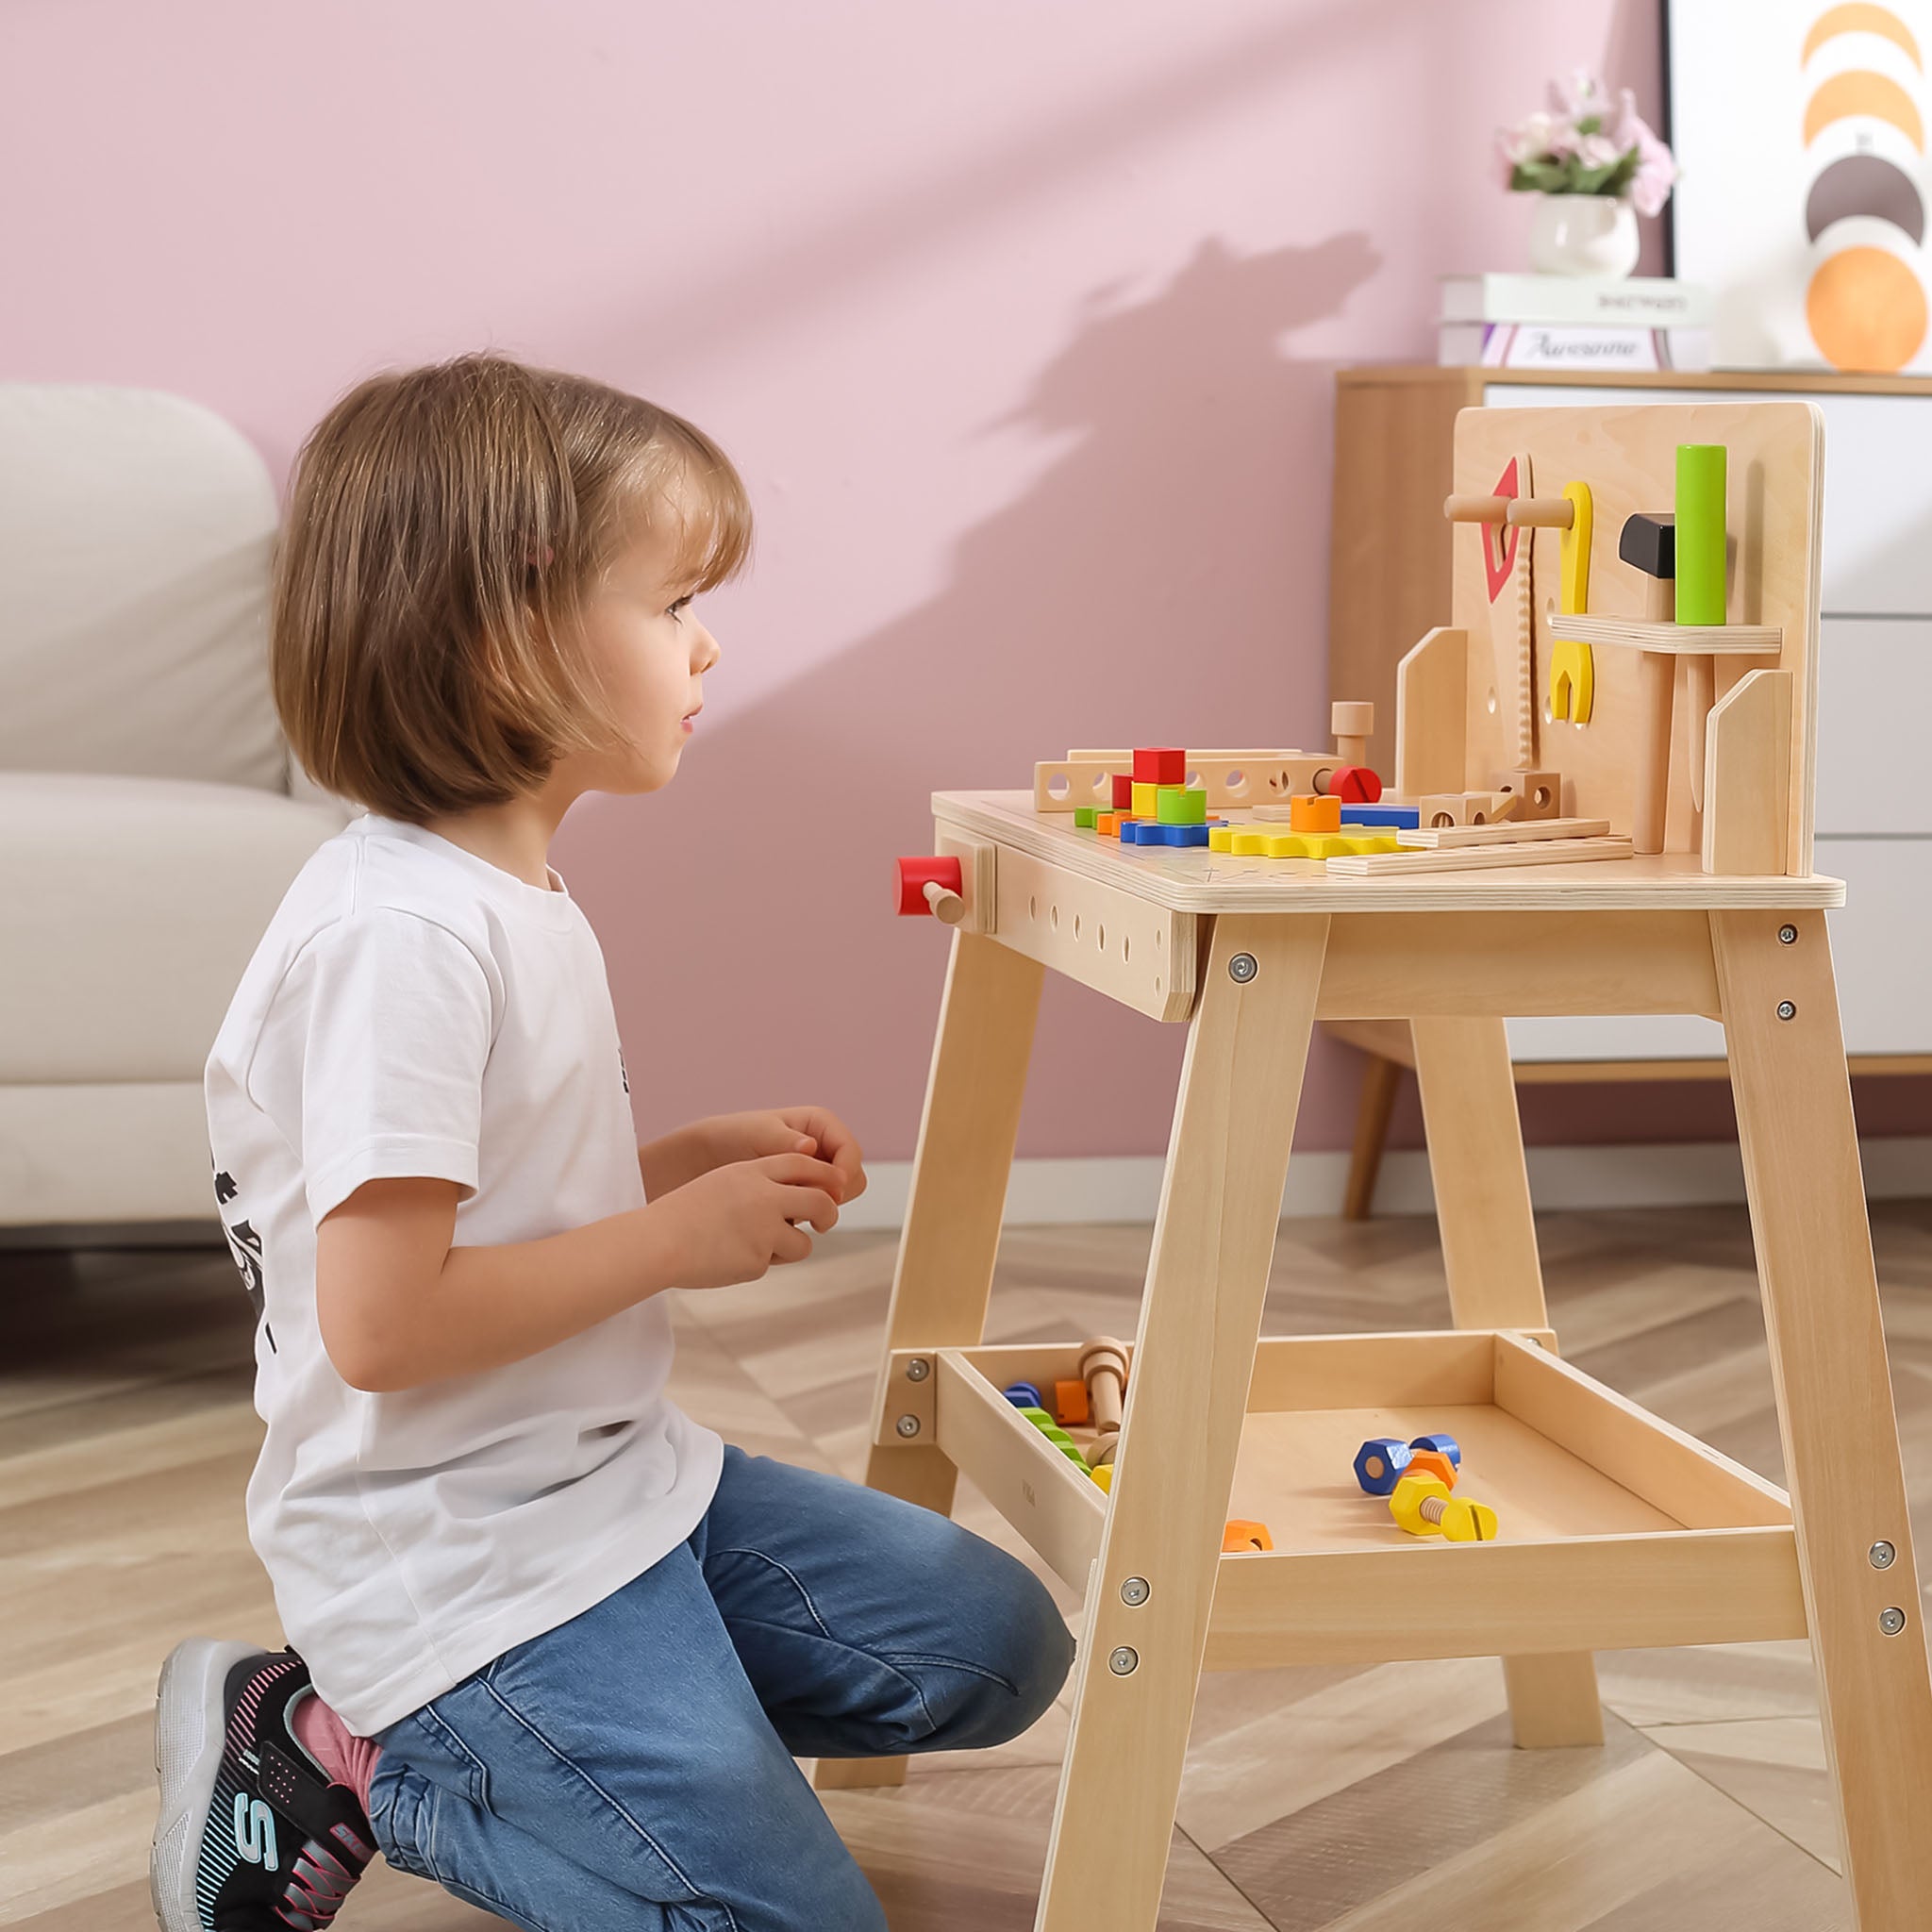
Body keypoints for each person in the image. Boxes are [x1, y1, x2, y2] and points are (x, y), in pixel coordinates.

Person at [152, 355, 1074, 1932]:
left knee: (994, 1644)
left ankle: (600, 1751)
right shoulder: (400, 941)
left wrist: (672, 1171)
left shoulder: (507, 897)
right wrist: (671, 1243)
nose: (707, 645)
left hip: (614, 1486)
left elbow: (468, 1213)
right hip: (460, 1565)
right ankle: (362, 1753)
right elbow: (381, 1328)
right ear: (512, 633)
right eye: (671, 606)